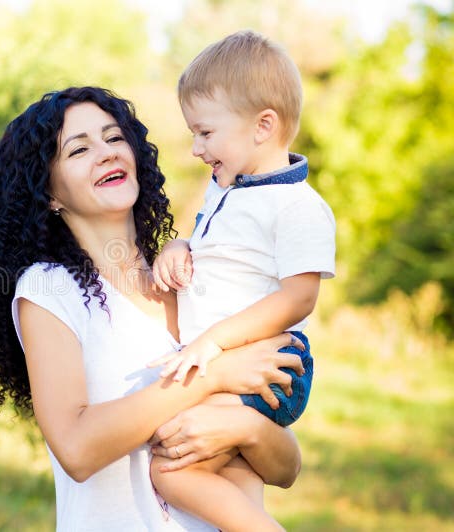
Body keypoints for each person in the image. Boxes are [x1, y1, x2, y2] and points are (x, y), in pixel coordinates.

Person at [0, 86, 307, 531]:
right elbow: (77, 449)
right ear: (50, 194)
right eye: (79, 149)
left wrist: (248, 430)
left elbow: (285, 469)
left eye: (113, 138)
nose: (106, 154)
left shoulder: (195, 274)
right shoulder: (50, 290)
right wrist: (215, 375)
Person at [147, 31, 336, 531]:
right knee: (236, 479)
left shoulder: (296, 206)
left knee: (171, 466)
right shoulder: (225, 189)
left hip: (266, 363)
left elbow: (300, 297)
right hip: (231, 362)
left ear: (262, 127)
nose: (194, 148)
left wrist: (213, 342)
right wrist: (178, 247)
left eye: (205, 133)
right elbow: (214, 254)